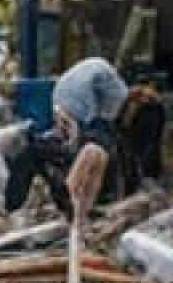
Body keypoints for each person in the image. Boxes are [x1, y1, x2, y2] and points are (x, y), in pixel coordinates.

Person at [49, 55, 127, 219]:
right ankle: (77, 202)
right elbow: (106, 115)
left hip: (65, 95)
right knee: (92, 151)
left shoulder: (101, 82)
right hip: (80, 101)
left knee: (90, 152)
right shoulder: (116, 91)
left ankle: (75, 202)